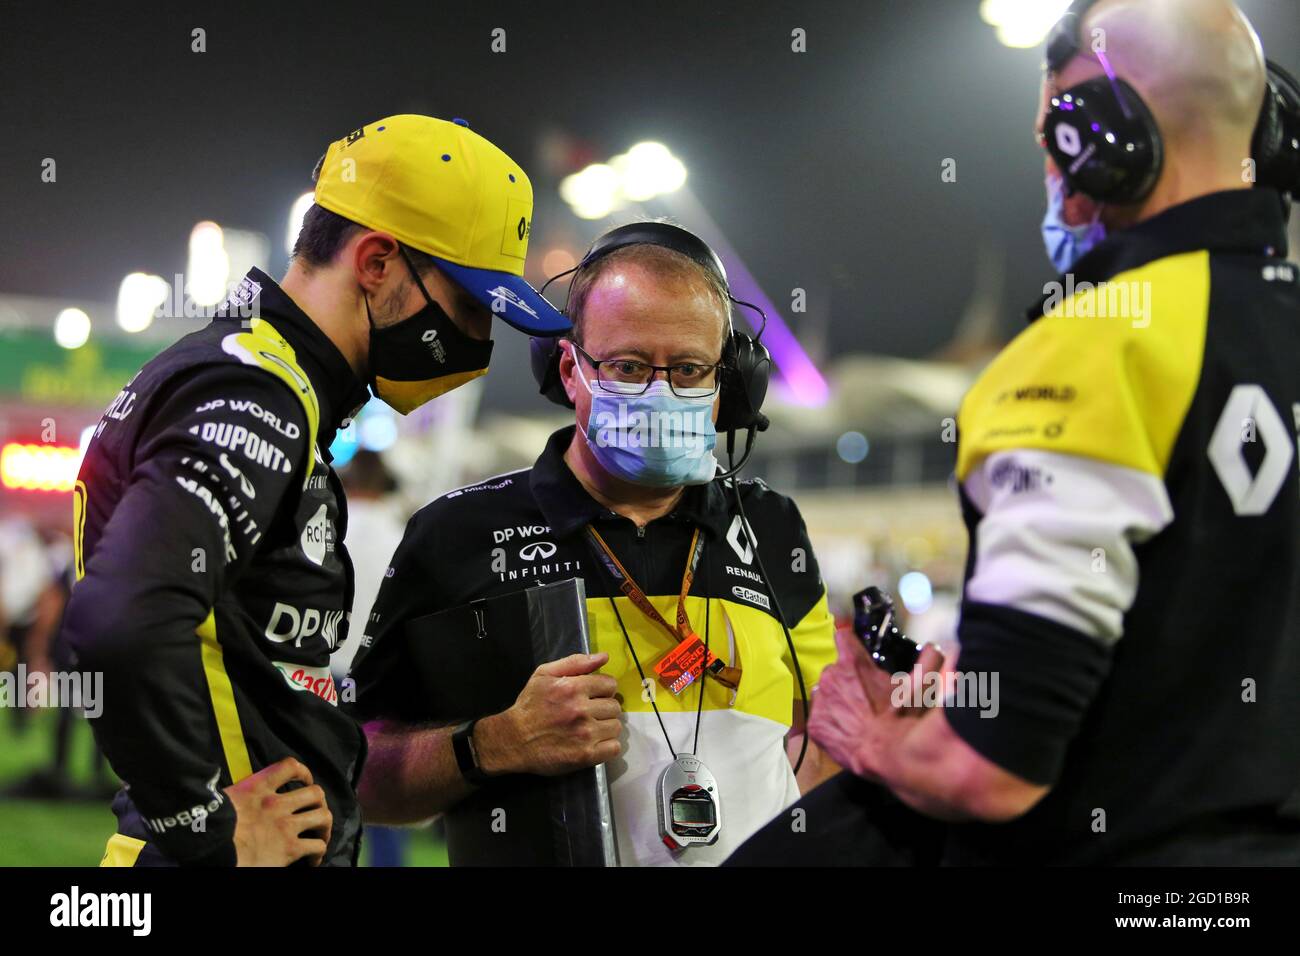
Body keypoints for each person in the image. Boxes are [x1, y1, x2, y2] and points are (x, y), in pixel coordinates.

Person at [730, 0, 1300, 866]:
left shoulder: (1094, 345)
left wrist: (871, 735)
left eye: (1051, 135)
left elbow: (990, 770)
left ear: (1099, 142)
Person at [62, 114, 568, 867]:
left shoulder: (265, 379)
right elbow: (117, 621)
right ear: (377, 261)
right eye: (467, 305)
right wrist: (203, 832)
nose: (477, 340)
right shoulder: (254, 389)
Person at [349, 222, 840, 866]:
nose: (661, 392)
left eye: (691, 369)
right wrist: (493, 744)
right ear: (570, 370)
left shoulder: (773, 527)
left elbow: (823, 742)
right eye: (629, 365)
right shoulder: (457, 534)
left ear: (732, 384)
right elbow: (356, 773)